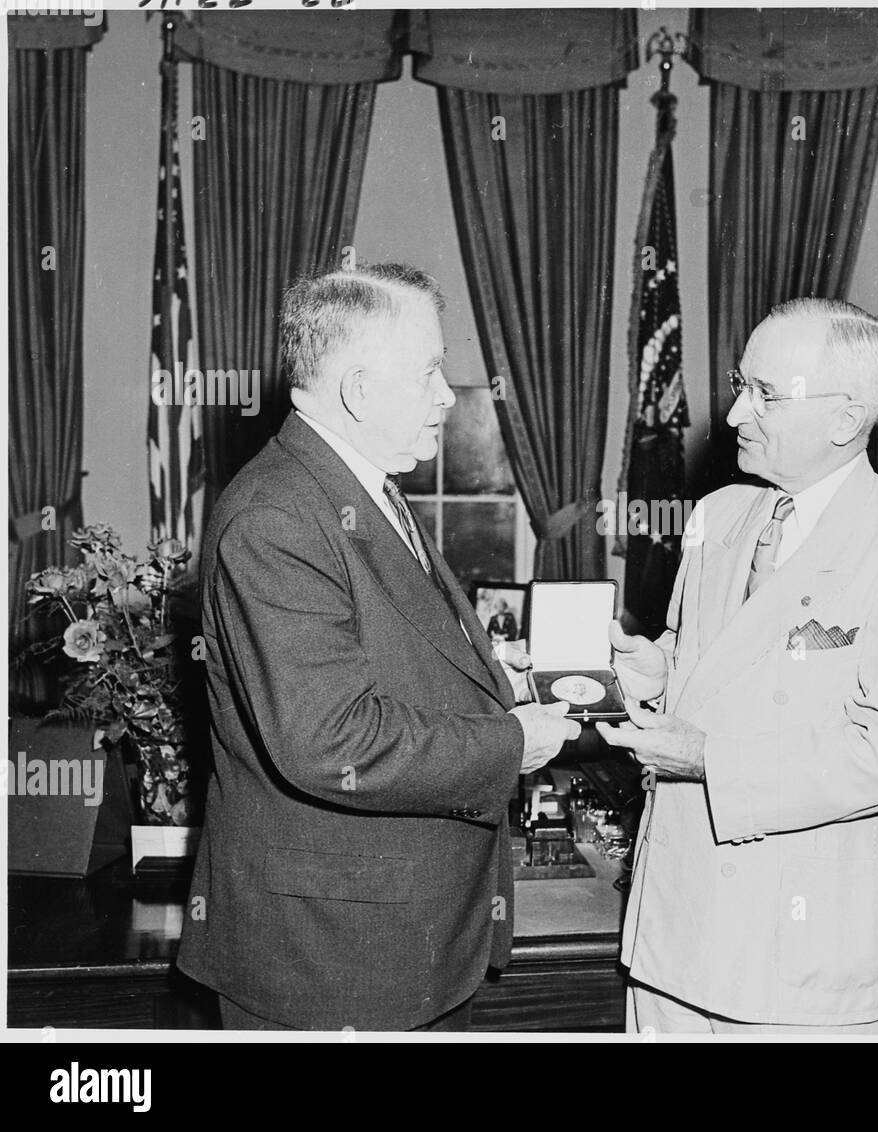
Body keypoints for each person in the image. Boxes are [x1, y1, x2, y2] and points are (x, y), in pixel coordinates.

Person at [177, 264, 578, 1031]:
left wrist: (495, 677)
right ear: (358, 392)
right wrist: (511, 742)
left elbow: (390, 648)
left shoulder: (355, 483)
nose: (446, 396)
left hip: (397, 941)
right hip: (332, 961)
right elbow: (330, 740)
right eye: (429, 372)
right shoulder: (280, 517)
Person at [596, 298, 878, 1034]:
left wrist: (710, 759)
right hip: (674, 925)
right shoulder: (720, 515)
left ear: (844, 419)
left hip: (795, 954)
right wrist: (654, 669)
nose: (736, 413)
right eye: (744, 385)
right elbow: (710, 657)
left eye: (765, 393)